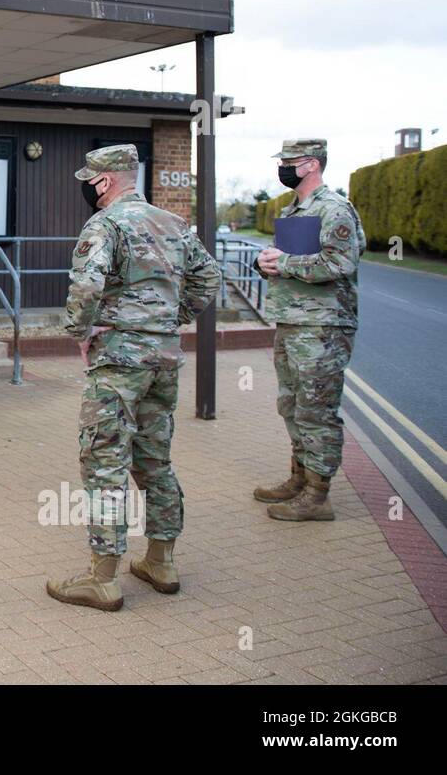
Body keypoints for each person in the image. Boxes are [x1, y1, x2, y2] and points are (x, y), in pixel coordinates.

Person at [46, 144, 221, 611]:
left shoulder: (105, 224)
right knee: (154, 459)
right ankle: (161, 561)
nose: (87, 187)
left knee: (104, 461)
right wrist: (167, 320)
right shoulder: (174, 223)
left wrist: (81, 333)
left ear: (103, 182)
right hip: (163, 358)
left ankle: (103, 578)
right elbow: (209, 279)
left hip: (119, 360)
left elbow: (86, 285)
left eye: (90, 179)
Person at [253, 138, 365, 522]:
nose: (283, 168)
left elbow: (339, 263)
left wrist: (284, 263)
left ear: (312, 165)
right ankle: (299, 478)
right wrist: (266, 262)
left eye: (291, 162)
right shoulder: (296, 208)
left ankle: (318, 495)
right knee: (292, 405)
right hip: (293, 321)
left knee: (318, 411)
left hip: (323, 327)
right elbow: (289, 259)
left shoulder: (334, 209)